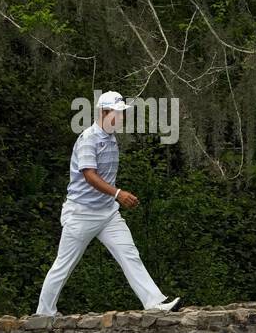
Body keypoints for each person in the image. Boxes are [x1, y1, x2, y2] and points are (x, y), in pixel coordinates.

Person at [35, 91, 181, 317]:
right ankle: (44, 313)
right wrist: (118, 194)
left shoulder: (110, 138)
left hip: (107, 214)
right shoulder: (88, 139)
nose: (122, 118)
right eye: (118, 113)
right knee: (64, 265)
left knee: (129, 253)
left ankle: (155, 302)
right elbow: (90, 176)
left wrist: (114, 198)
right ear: (104, 113)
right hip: (81, 214)